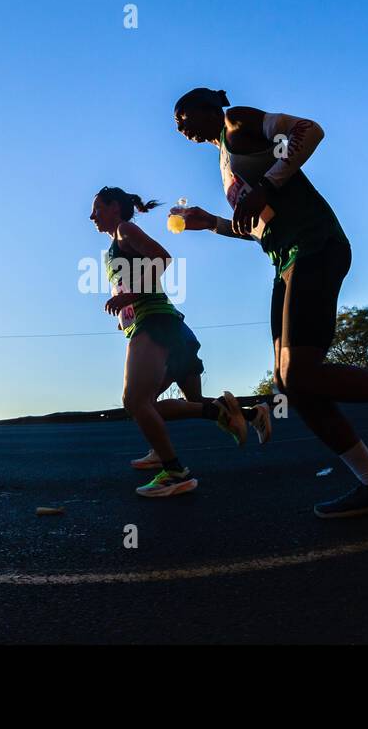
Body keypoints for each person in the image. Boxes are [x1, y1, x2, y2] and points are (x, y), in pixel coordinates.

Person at [171, 88, 368, 518]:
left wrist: (270, 184)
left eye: (183, 116)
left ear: (207, 107)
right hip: (285, 256)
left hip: (314, 245)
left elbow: (308, 130)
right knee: (290, 383)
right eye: (176, 124)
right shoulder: (224, 156)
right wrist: (213, 223)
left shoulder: (237, 122)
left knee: (301, 371)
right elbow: (260, 225)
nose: (179, 127)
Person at [89, 186, 272, 497]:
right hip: (168, 328)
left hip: (156, 324)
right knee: (173, 405)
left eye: (98, 208)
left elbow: (162, 257)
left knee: (136, 402)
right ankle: (253, 414)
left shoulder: (124, 230)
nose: (92, 215)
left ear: (115, 209)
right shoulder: (113, 249)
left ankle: (174, 472)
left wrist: (134, 295)